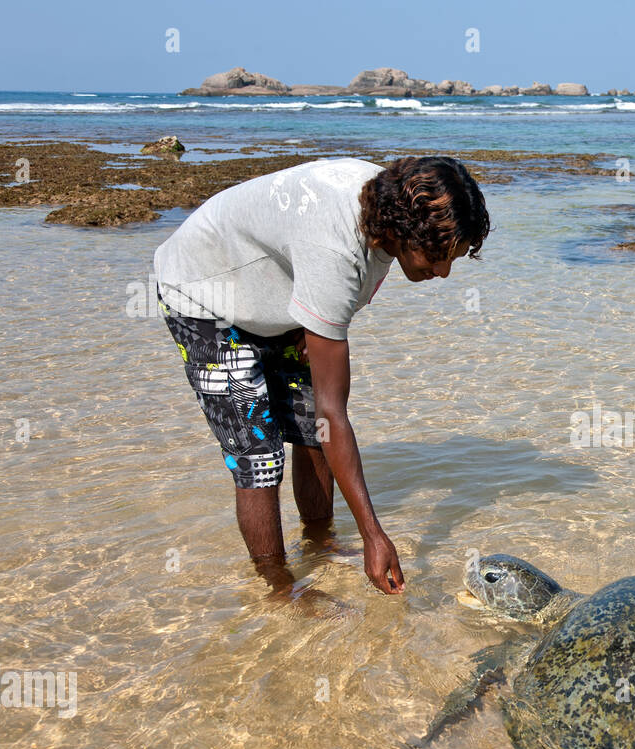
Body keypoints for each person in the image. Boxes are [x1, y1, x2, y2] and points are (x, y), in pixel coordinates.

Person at [153, 155, 490, 596]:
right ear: (400, 232)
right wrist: (374, 535)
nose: (444, 272)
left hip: (271, 289)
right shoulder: (334, 249)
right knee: (259, 453)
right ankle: (278, 586)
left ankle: (320, 543)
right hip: (202, 292)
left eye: (454, 259)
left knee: (313, 427)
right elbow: (337, 411)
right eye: (437, 257)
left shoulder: (388, 202)